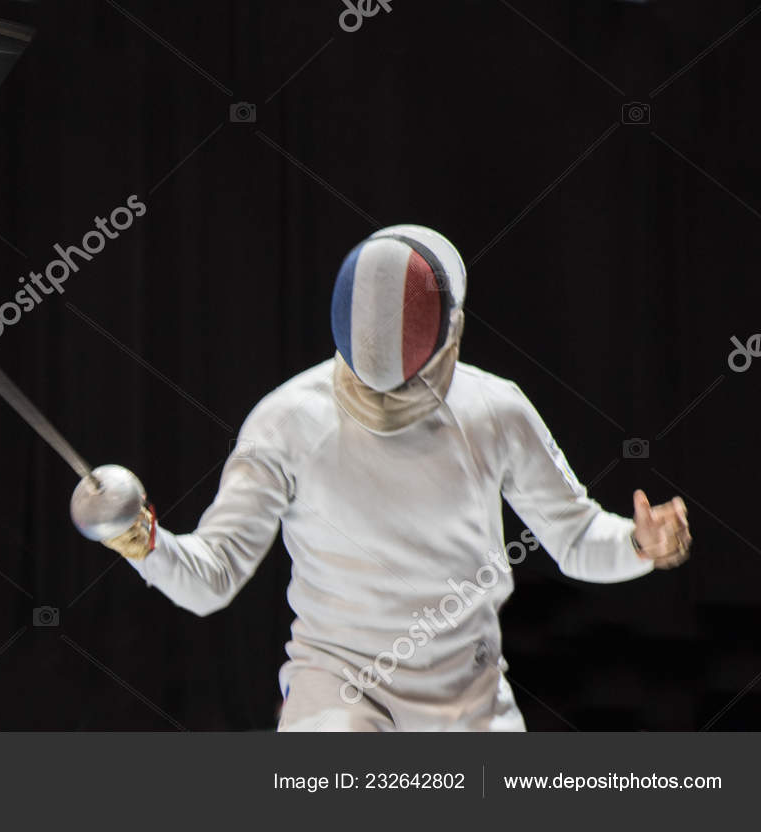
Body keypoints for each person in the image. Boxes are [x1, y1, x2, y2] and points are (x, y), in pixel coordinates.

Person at [86, 225, 692, 731]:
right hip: (338, 696)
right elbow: (214, 575)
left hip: (469, 699)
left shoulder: (494, 412)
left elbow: (577, 538)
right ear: (452, 330)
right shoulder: (289, 424)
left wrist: (637, 544)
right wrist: (144, 540)